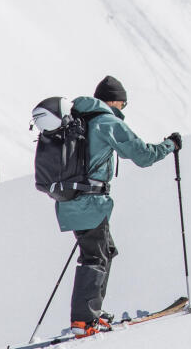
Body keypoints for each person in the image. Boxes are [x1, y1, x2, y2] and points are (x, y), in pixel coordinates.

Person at [57, 75, 183, 338]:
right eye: (123, 105)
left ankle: (92, 313)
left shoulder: (79, 121)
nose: (122, 110)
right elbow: (143, 155)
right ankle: (83, 321)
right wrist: (170, 145)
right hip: (90, 201)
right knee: (95, 257)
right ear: (115, 101)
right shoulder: (106, 122)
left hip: (71, 200)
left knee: (105, 251)